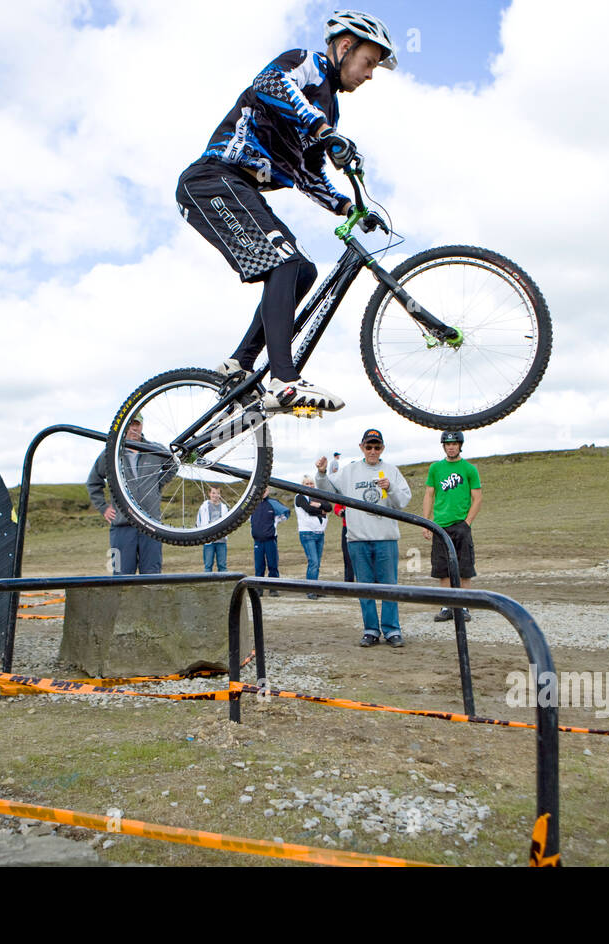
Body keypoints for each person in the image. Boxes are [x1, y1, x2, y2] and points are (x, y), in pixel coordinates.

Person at [175, 10, 396, 414]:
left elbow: (308, 174)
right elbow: (268, 83)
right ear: (345, 47)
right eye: (369, 62)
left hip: (239, 188)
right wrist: (321, 130)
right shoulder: (305, 64)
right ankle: (285, 380)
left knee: (303, 271)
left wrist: (350, 206)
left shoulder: (329, 110)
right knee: (284, 260)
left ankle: (239, 365)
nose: (369, 75)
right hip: (213, 180)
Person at [315, 428, 411, 647]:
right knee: (364, 586)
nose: (373, 451)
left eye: (377, 447)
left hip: (385, 538)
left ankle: (392, 630)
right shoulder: (349, 471)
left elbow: (403, 501)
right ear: (362, 448)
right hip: (358, 539)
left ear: (382, 448)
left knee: (389, 587)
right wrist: (321, 474)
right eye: (369, 447)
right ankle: (370, 630)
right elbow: (328, 490)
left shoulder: (391, 470)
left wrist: (391, 487)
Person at [85, 413, 175, 574]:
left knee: (152, 576)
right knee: (121, 576)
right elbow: (93, 481)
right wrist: (103, 507)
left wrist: (157, 484)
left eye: (137, 424)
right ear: (124, 427)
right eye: (130, 424)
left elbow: (173, 464)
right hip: (122, 527)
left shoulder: (155, 450)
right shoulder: (110, 454)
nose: (133, 428)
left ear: (142, 425)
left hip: (151, 527)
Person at [421, 431, 482, 622]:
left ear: (460, 445)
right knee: (442, 568)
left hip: (461, 525)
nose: (451, 447)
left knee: (464, 567)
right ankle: (447, 606)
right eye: (448, 444)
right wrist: (426, 522)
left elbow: (477, 497)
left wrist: (467, 523)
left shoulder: (469, 469)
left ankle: (463, 607)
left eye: (455, 443)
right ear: (443, 446)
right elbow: (429, 495)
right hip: (440, 526)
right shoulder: (436, 468)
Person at [295, 475, 332, 599]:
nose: (310, 485)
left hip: (319, 533)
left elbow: (329, 507)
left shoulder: (317, 496)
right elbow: (308, 509)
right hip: (307, 533)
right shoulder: (300, 497)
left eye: (311, 483)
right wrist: (321, 510)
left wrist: (319, 505)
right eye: (307, 484)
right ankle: (310, 589)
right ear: (302, 485)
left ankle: (314, 587)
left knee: (317, 563)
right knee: (313, 562)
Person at [250, 494, 290, 595]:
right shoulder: (253, 504)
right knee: (259, 566)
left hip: (270, 540)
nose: (263, 492)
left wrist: (277, 521)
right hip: (257, 541)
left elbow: (285, 513)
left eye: (266, 489)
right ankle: (259, 588)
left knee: (272, 565)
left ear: (267, 490)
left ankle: (273, 588)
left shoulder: (273, 503)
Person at [196, 486, 230, 571]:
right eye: (213, 493)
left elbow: (228, 522)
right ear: (209, 494)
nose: (215, 495)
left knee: (222, 565)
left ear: (220, 495)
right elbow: (199, 522)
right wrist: (202, 535)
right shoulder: (203, 507)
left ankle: (223, 583)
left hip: (221, 540)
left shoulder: (224, 507)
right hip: (208, 540)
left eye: (218, 493)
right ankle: (207, 582)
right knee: (208, 565)